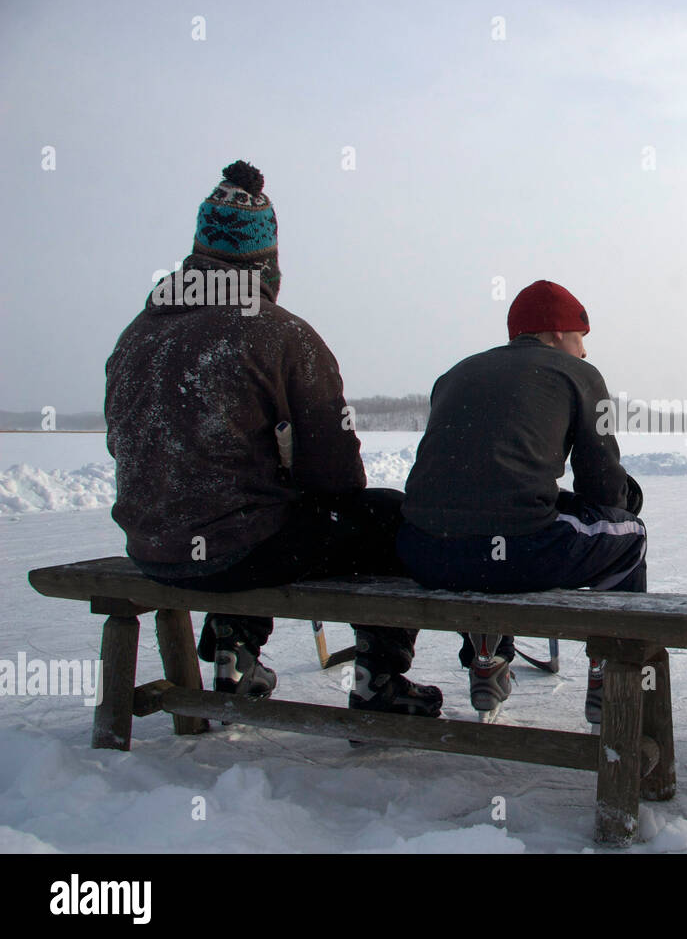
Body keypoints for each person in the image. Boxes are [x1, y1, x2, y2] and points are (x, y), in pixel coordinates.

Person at [104, 160, 440, 717]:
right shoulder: (281, 335)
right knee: (390, 522)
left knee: (249, 512)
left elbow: (125, 444)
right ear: (266, 260)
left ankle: (233, 652)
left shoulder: (140, 333)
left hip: (150, 548)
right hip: (233, 551)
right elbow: (335, 477)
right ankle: (378, 680)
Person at [398, 280, 646, 722]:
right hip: (518, 551)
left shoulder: (455, 373)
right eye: (580, 336)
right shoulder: (581, 376)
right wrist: (629, 498)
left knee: (483, 522)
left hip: (425, 551)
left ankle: (488, 655)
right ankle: (611, 672)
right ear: (554, 334)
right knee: (629, 536)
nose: (585, 350)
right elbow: (603, 489)